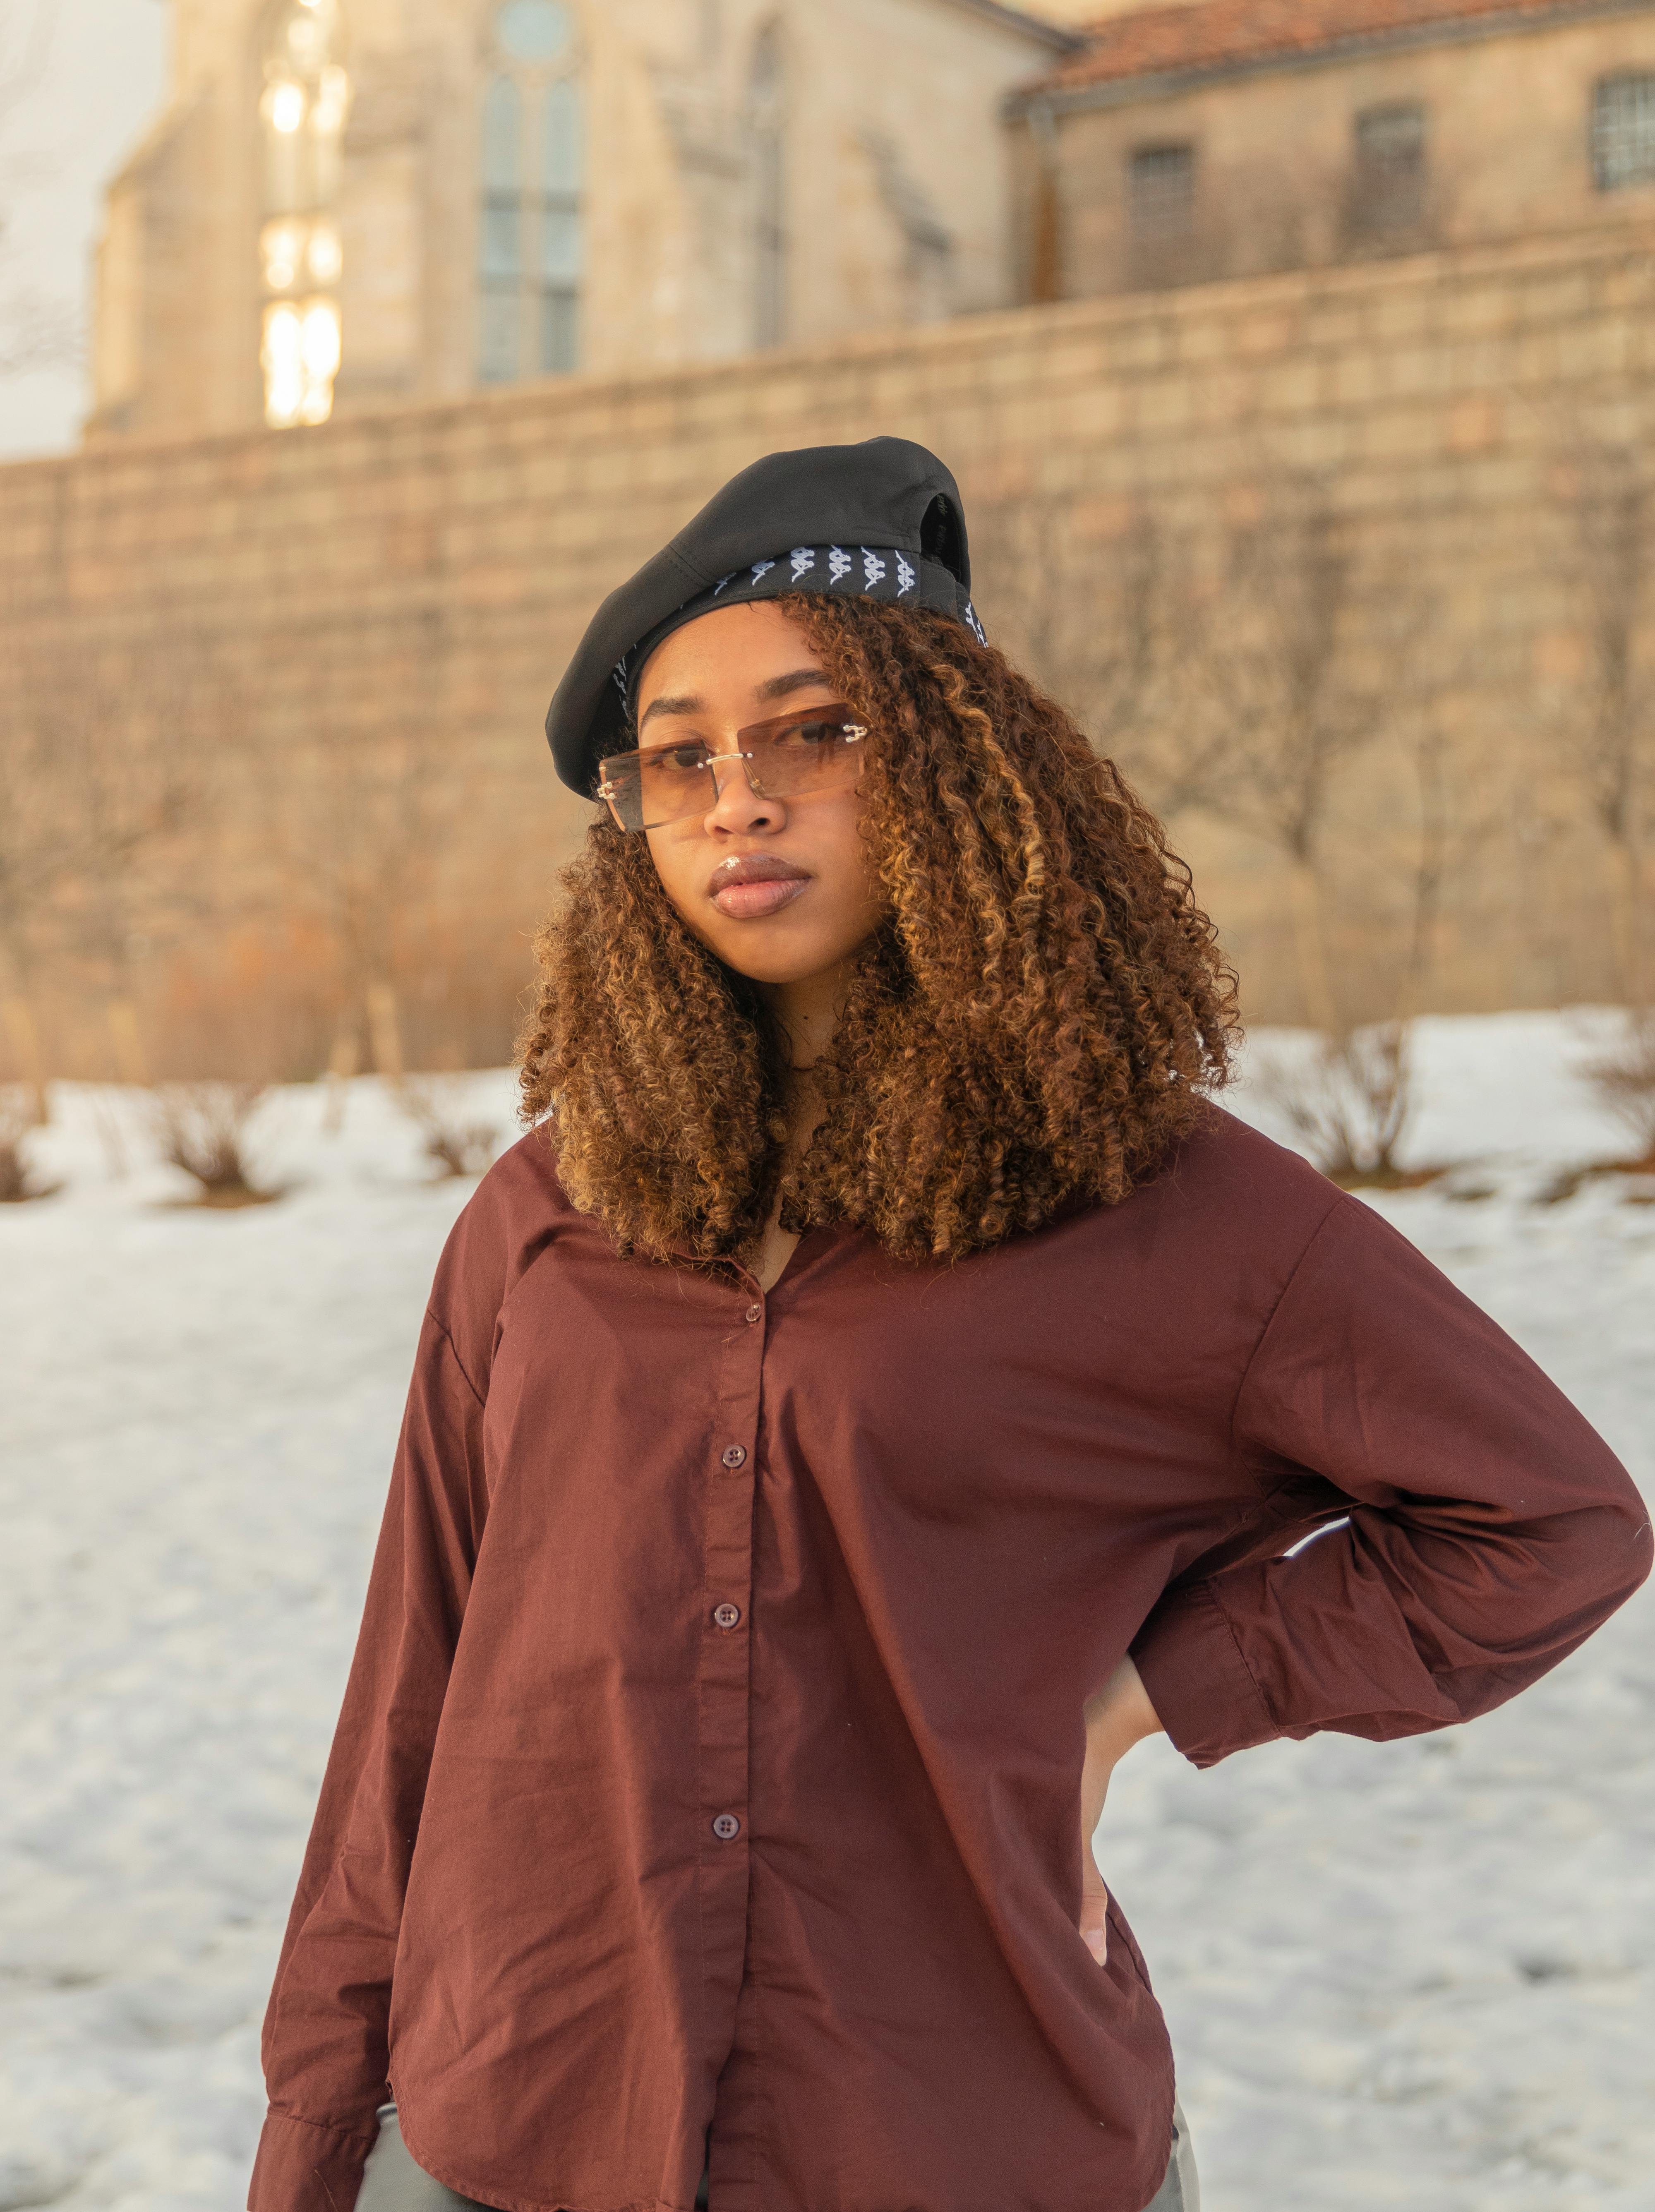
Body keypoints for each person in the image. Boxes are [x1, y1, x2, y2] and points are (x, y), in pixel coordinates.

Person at [248, 439, 1649, 2212]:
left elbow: (1546, 1524)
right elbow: (407, 1711)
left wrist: (1145, 1697)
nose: (736, 800)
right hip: (515, 2130)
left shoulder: (1172, 1210)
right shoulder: (543, 1211)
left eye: (808, 730)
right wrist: (311, 2147)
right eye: (677, 757)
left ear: (950, 758)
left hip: (954, 2132)